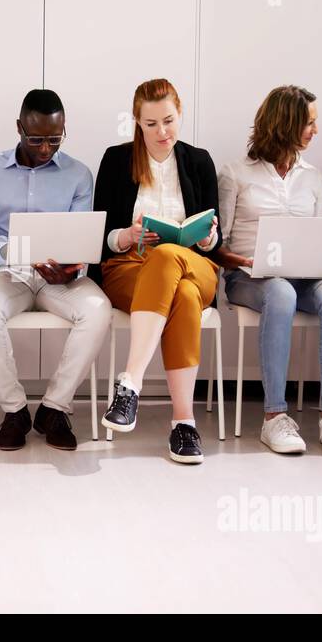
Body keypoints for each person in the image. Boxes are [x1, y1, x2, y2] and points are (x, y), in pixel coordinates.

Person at [0, 89, 110, 451]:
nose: (46, 148)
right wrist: (16, 253)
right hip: (8, 273)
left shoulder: (79, 174)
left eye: (54, 139)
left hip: (58, 279)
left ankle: (54, 408)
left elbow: (83, 238)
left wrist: (74, 268)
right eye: (36, 139)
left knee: (97, 310)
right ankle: (15, 410)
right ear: (18, 128)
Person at [216, 85, 322, 455]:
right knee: (280, 290)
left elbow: (321, 236)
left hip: (305, 276)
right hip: (249, 278)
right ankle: (274, 416)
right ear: (285, 124)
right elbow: (218, 246)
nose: (315, 130)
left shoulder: (312, 177)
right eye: (309, 123)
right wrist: (244, 261)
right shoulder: (235, 173)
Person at [96, 79, 221, 464]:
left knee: (169, 256)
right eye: (150, 124)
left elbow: (217, 237)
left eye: (168, 120)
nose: (162, 132)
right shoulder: (116, 160)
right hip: (130, 266)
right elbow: (100, 234)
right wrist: (127, 234)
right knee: (181, 295)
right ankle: (184, 424)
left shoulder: (199, 161)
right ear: (137, 122)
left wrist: (206, 239)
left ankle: (129, 383)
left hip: (195, 264)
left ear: (179, 113)